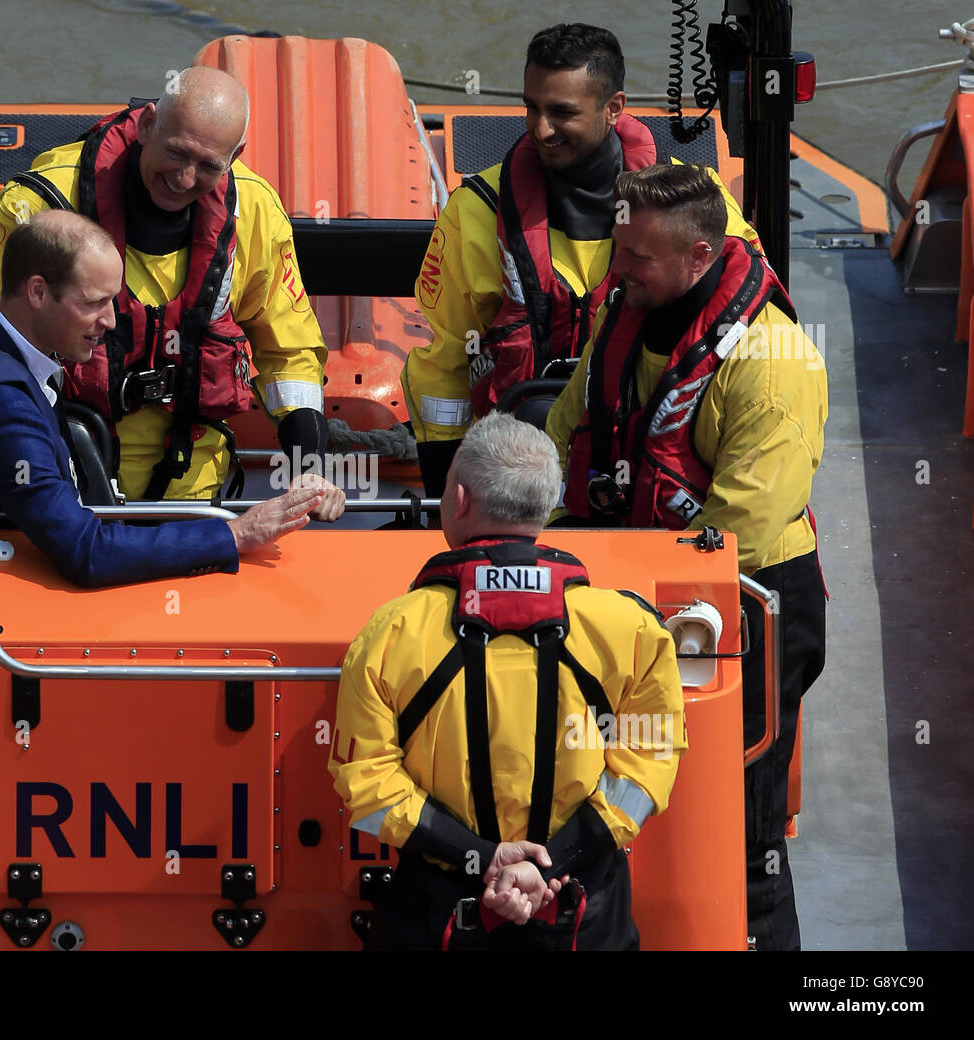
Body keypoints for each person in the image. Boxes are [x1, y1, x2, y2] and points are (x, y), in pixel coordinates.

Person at [544, 162, 828, 950]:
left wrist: (637, 622)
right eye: (617, 249)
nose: (617, 270)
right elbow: (567, 426)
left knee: (742, 825)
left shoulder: (773, 363)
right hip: (634, 585)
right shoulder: (629, 317)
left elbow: (742, 525)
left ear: (700, 259)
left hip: (746, 605)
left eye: (637, 259)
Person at [0, 65, 343, 517]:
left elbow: (290, 355)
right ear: (147, 124)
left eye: (208, 166)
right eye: (177, 153)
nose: (184, 178)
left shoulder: (256, 214)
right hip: (57, 481)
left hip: (195, 499)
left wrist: (307, 463)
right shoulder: (41, 204)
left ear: (235, 157)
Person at [328, 412, 686, 950]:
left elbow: (366, 784)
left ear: (462, 500)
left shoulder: (390, 632)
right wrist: (550, 864)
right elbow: (644, 769)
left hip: (439, 918)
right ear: (547, 503)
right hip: (582, 916)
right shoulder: (633, 631)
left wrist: (482, 858)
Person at [403, 23, 759, 499]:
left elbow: (748, 332)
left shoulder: (695, 205)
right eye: (532, 107)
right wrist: (443, 492)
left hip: (660, 471)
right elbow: (444, 364)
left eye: (562, 112)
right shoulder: (476, 211)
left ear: (614, 108)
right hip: (520, 477)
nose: (541, 129)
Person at [0, 210, 325, 587]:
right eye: (93, 303)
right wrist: (237, 534)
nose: (109, 320)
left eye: (113, 299)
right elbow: (85, 552)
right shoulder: (1, 407)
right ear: (36, 292)